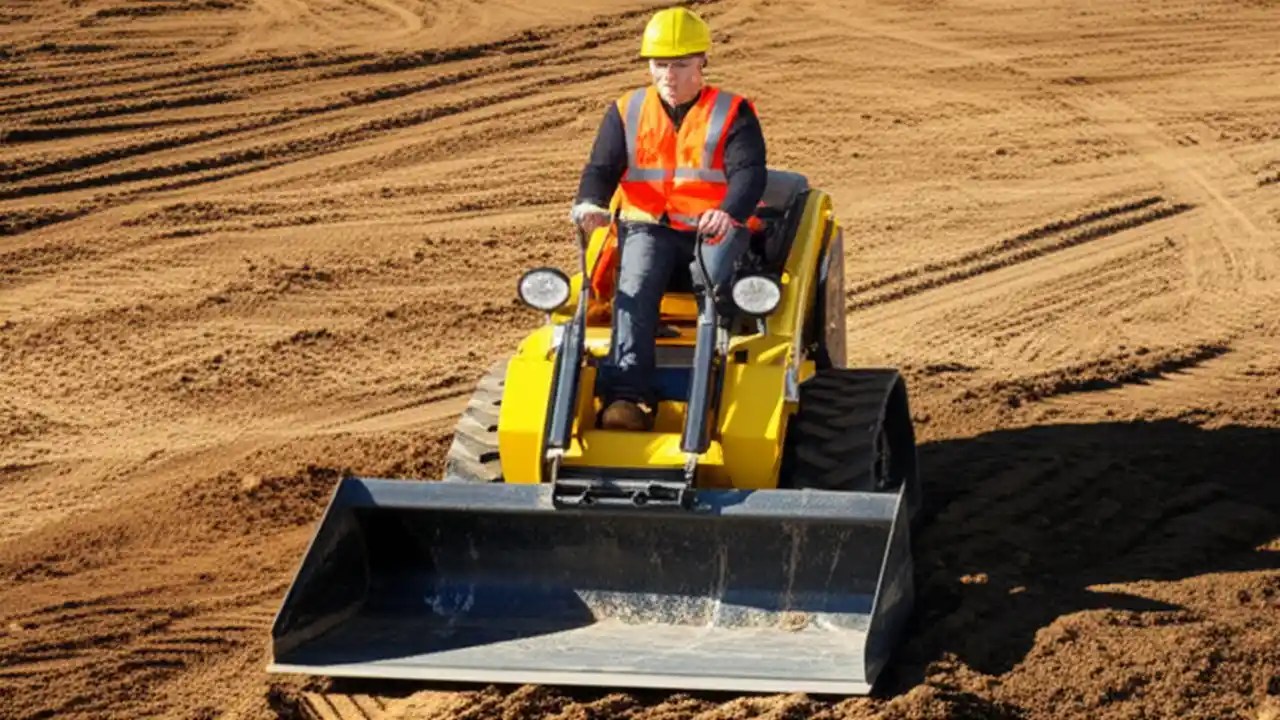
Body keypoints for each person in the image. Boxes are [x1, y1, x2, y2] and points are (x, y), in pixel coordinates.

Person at [570, 6, 768, 431]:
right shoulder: (627, 110)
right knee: (634, 289)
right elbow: (601, 169)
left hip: (711, 229)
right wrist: (589, 202)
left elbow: (750, 174)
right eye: (661, 65)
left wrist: (727, 214)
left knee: (714, 291)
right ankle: (627, 399)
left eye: (680, 65)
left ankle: (717, 393)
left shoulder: (733, 112)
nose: (670, 76)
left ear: (702, 63)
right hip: (648, 225)